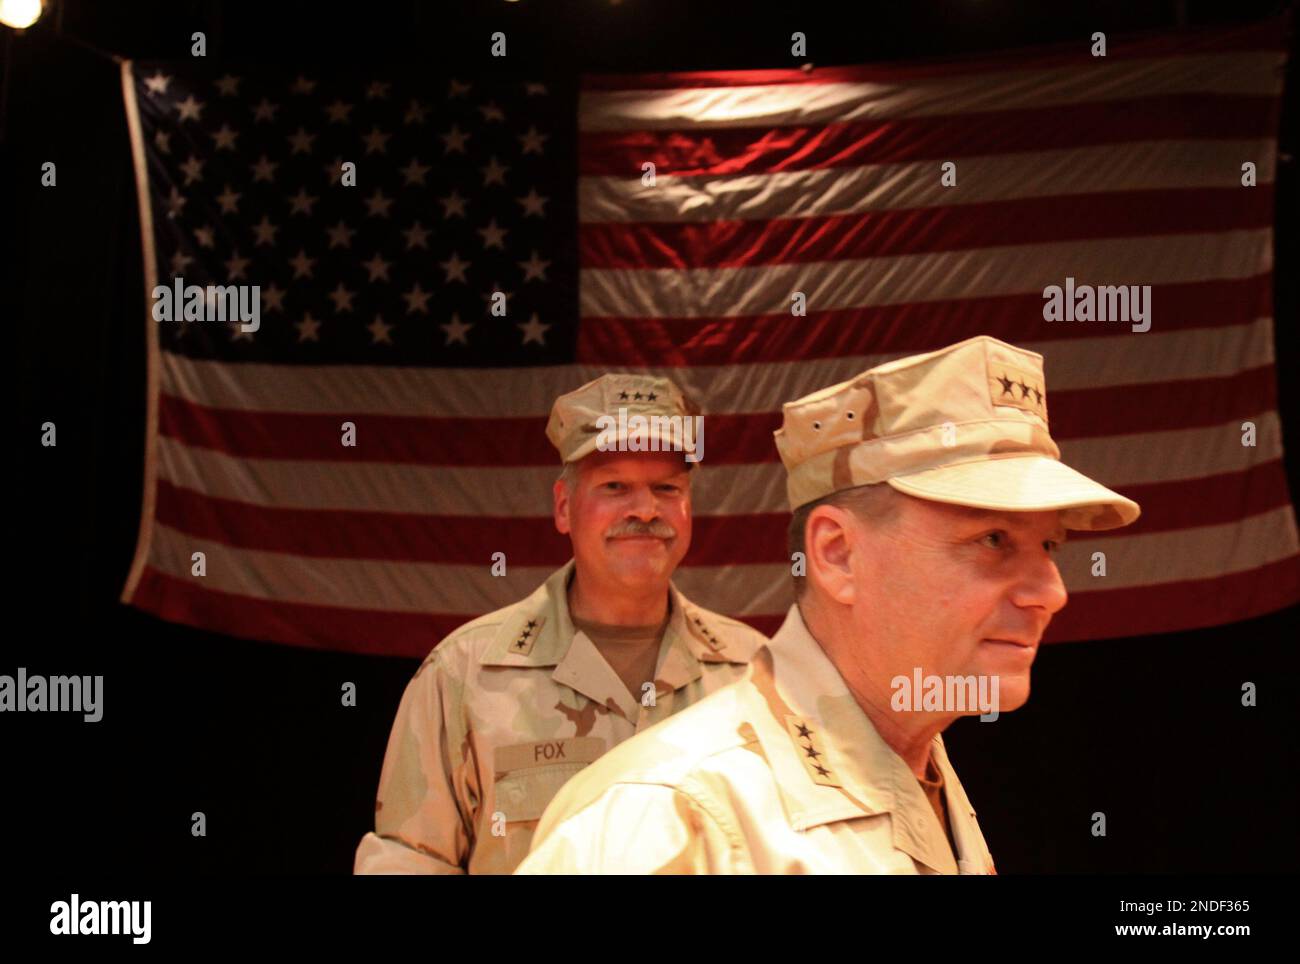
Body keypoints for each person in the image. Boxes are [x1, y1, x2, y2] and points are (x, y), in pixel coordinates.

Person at [516, 335, 1141, 874]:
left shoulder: (919, 767)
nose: (1050, 592)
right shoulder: (667, 818)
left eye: (1049, 545)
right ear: (837, 554)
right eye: (993, 540)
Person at [354, 373, 767, 873]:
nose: (644, 509)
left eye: (666, 487)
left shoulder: (756, 673)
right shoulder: (466, 673)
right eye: (615, 486)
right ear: (565, 507)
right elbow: (411, 861)